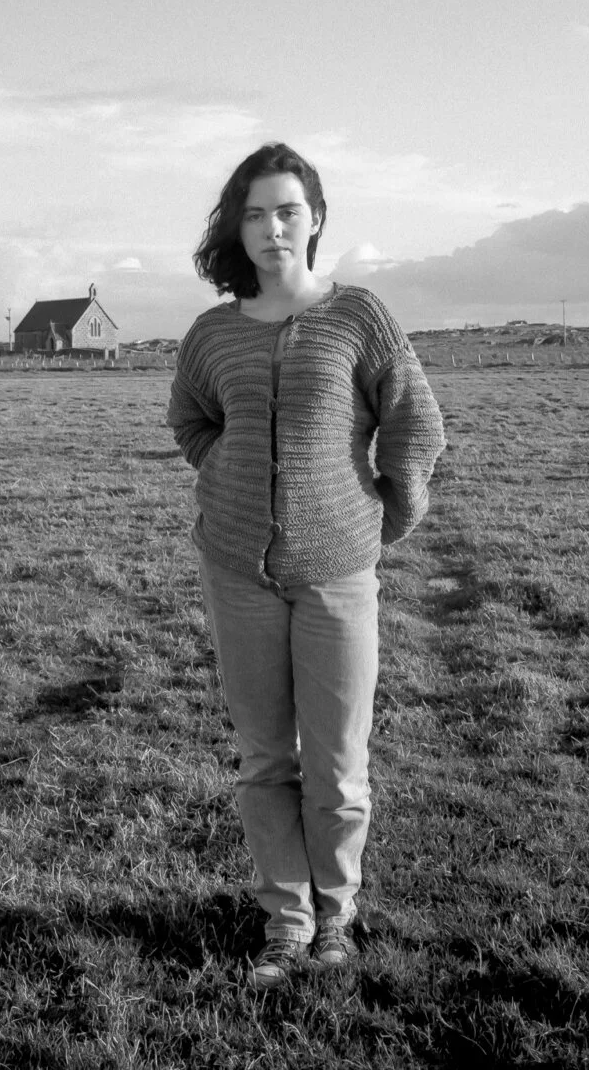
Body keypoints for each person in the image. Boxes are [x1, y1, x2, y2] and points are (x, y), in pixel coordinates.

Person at [167, 143, 445, 989]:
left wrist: (380, 518)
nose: (271, 226)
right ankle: (284, 922)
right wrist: (231, 475)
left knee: (336, 763)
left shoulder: (358, 316)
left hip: (338, 571)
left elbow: (414, 424)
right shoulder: (212, 331)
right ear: (237, 227)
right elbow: (191, 421)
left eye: (287, 209)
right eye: (254, 212)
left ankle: (339, 915)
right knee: (264, 759)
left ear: (316, 217)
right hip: (237, 569)